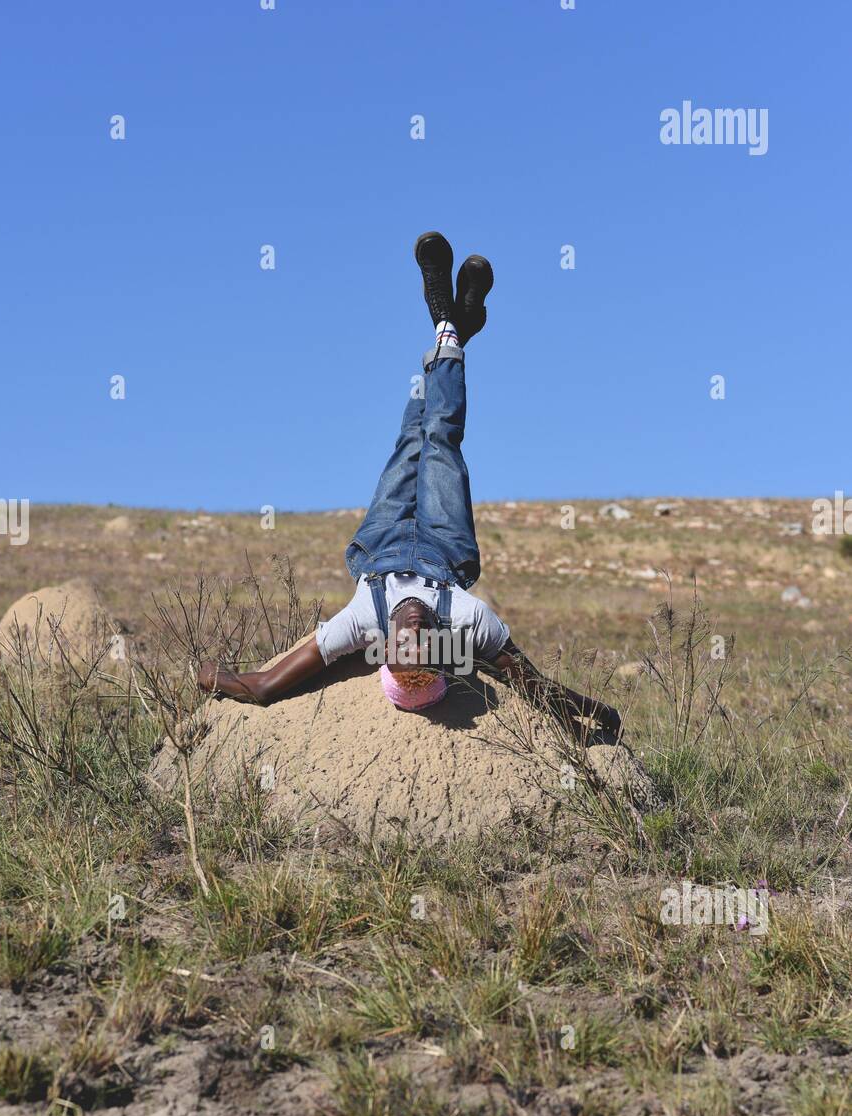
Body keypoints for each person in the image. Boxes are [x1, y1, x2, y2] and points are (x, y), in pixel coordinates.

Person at [198, 232, 620, 739]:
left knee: (408, 440)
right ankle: (449, 323)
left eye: (402, 648)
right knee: (439, 437)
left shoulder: (361, 622)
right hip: (445, 542)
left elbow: (265, 687)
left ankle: (452, 323)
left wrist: (213, 676)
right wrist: (598, 713)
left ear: (384, 653)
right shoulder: (467, 621)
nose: (412, 635)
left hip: (381, 539)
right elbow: (531, 682)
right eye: (424, 648)